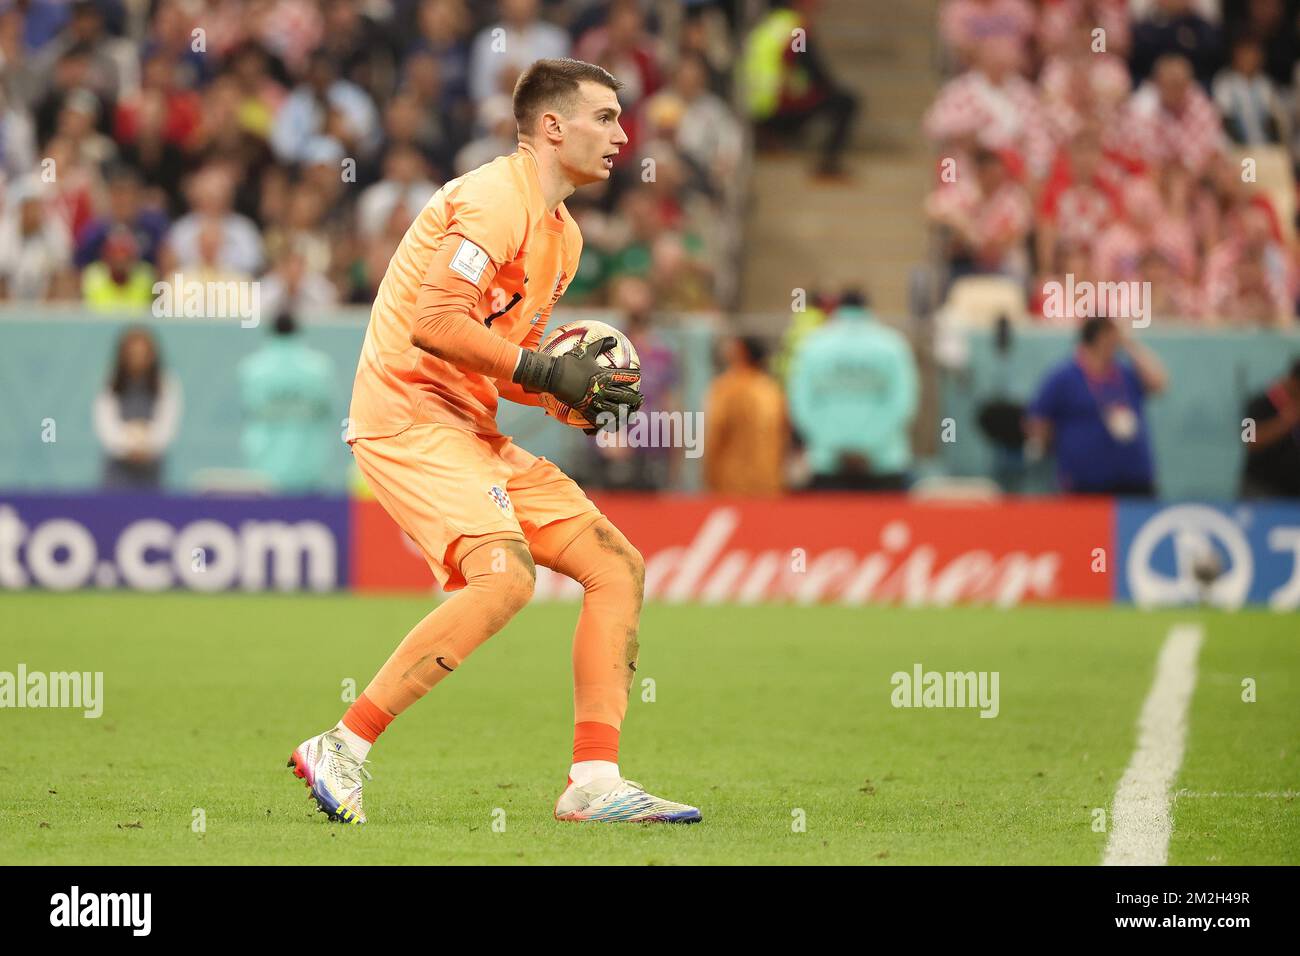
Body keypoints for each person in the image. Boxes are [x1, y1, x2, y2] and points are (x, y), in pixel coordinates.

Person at [288, 58, 699, 826]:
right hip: (407, 414)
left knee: (615, 566)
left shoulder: (562, 235)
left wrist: (561, 393)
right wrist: (546, 370)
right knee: (504, 577)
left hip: (469, 426)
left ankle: (594, 780)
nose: (621, 135)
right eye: (604, 117)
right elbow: (435, 325)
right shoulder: (491, 199)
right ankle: (343, 744)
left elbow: (497, 356)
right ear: (553, 126)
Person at [787, 292, 919, 491]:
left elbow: (801, 403)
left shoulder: (813, 345)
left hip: (827, 461)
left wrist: (832, 444)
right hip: (883, 461)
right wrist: (871, 445)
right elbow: (904, 402)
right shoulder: (893, 345)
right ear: (868, 308)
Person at [1025, 316, 1168, 495]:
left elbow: (1158, 383)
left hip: (1133, 479)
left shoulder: (1125, 373)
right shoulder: (1064, 377)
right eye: (1111, 336)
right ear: (1099, 338)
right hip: (1084, 484)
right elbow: (1038, 421)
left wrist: (1130, 344)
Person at [237, 313, 337, 492]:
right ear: (298, 331)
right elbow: (329, 411)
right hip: (309, 469)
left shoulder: (252, 370)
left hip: (264, 470)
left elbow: (247, 412)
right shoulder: (319, 368)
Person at [92, 326, 182, 489]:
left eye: (143, 354)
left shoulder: (166, 383)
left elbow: (168, 423)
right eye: (132, 354)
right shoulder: (111, 382)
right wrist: (127, 444)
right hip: (117, 471)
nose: (138, 359)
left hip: (152, 470)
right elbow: (105, 422)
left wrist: (148, 444)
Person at [703, 336, 787, 496]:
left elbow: (715, 433)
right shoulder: (771, 389)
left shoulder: (725, 388)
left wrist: (709, 474)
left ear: (740, 352)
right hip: (769, 481)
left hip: (730, 482)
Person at [1240, 358, 1300, 498]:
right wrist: (1284, 422)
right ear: (1293, 382)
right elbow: (1249, 441)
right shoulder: (1259, 403)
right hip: (1262, 490)